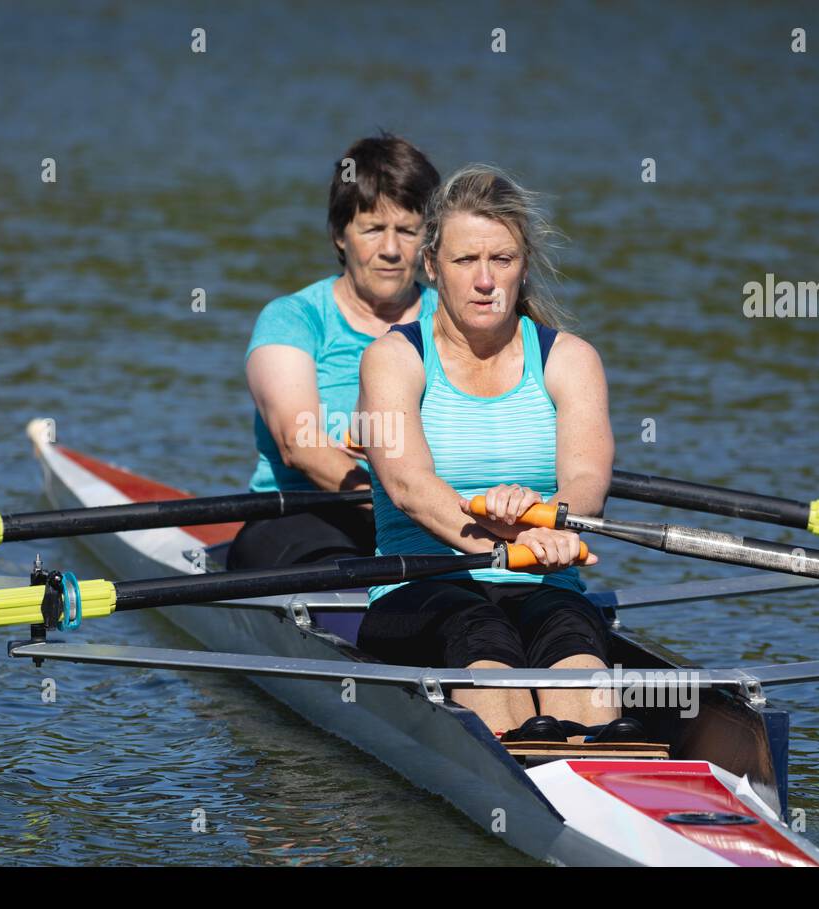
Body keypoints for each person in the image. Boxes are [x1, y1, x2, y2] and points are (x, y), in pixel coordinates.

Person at [356, 165, 625, 741]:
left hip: (543, 584)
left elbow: (585, 480)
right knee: (478, 626)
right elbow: (408, 486)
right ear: (431, 267)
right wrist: (515, 538)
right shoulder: (394, 359)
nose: (485, 281)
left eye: (501, 260)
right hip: (419, 588)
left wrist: (556, 520)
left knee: (574, 641)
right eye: (465, 261)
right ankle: (525, 778)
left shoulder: (569, 359)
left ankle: (600, 772)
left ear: (523, 264)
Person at [227, 135, 441, 570]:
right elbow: (299, 443)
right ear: (339, 235)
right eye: (373, 229)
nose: (391, 250)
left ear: (428, 240)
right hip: (301, 515)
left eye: (406, 231)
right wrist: (413, 508)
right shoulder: (293, 318)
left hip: (433, 516)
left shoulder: (452, 320)